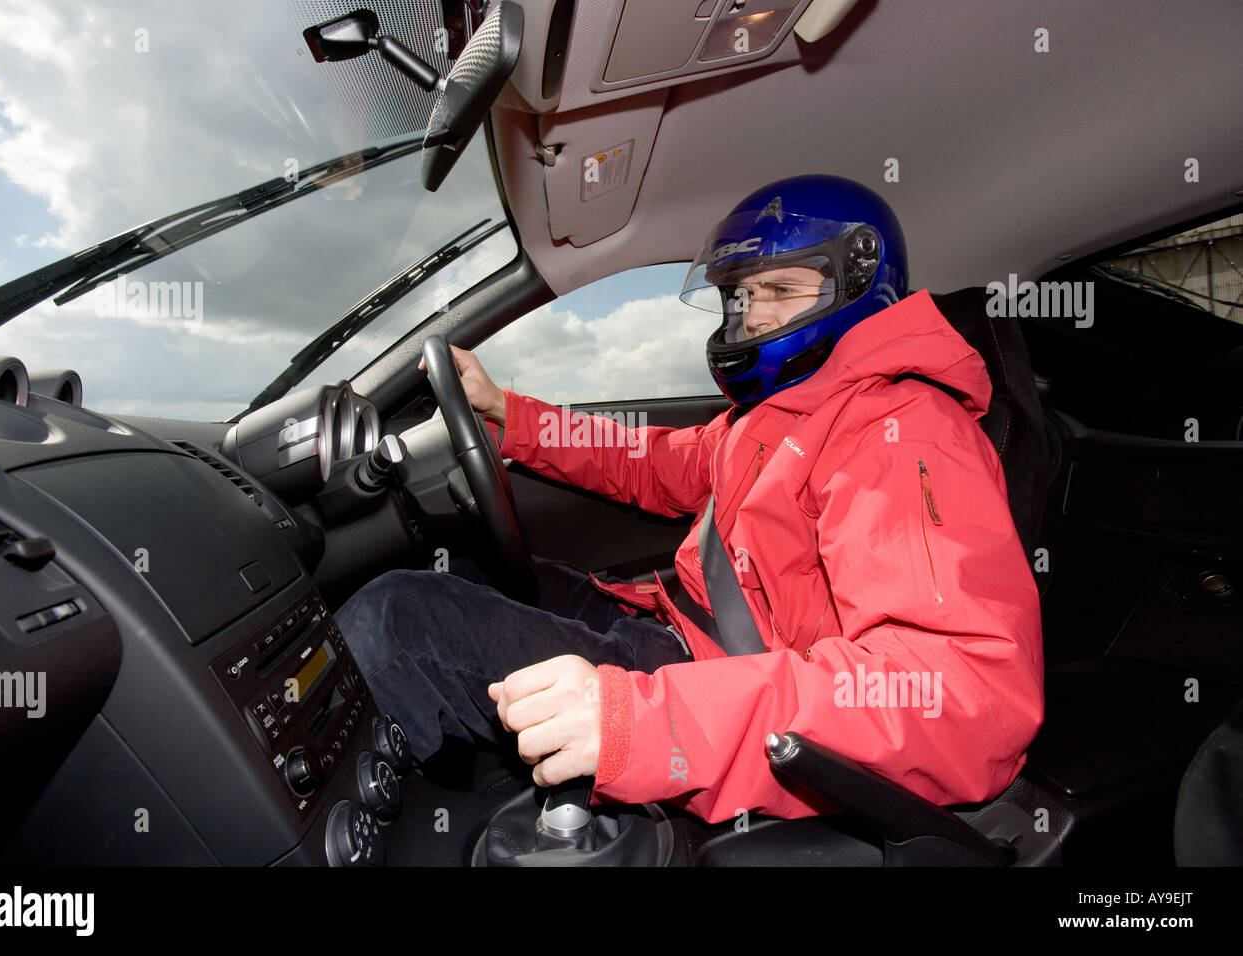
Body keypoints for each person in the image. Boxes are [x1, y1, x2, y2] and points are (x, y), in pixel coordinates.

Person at [336, 175, 1044, 824]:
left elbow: (956, 696)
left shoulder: (897, 434)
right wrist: (508, 414)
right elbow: (647, 461)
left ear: (854, 282)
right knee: (457, 573)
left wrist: (643, 725)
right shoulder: (774, 417)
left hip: (712, 689)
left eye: (781, 291)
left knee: (398, 618)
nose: (753, 317)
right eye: (743, 296)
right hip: (676, 634)